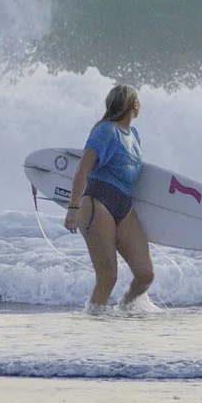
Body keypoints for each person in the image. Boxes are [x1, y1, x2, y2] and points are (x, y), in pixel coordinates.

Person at [63, 84, 155, 313]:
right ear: (134, 105)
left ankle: (122, 311)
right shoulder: (105, 131)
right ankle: (96, 326)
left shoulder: (133, 135)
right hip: (98, 203)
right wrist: (73, 208)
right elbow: (82, 170)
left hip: (123, 206)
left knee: (145, 274)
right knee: (107, 277)